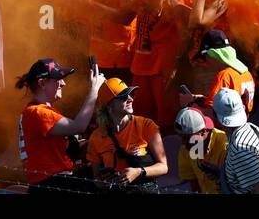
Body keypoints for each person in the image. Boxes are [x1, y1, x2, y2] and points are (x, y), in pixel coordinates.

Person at [16, 58, 105, 192]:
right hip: (52, 184)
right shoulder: (38, 112)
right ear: (42, 83)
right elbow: (79, 126)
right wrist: (94, 89)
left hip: (53, 182)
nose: (63, 83)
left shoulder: (40, 111)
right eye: (57, 79)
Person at [86, 77, 167, 192]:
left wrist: (139, 172)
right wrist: (104, 182)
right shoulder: (96, 137)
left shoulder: (147, 125)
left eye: (131, 94)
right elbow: (97, 179)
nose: (131, 99)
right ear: (109, 106)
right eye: (124, 97)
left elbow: (164, 167)